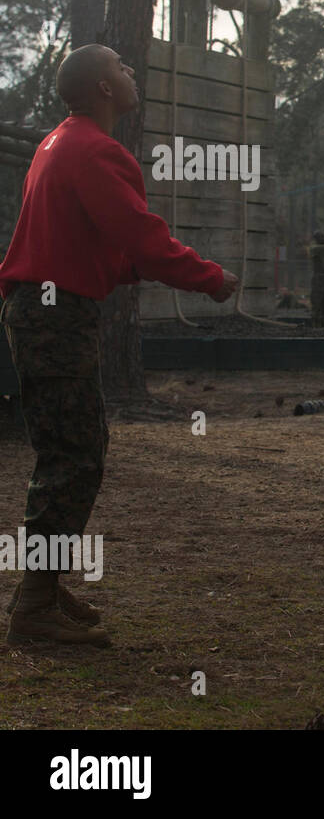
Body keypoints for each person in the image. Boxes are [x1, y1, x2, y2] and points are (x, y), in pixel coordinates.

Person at [0, 43, 238, 647]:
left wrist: (147, 268)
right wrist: (210, 278)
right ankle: (34, 608)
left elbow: (106, 247)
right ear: (104, 89)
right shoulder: (96, 150)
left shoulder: (59, 143)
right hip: (56, 318)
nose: (131, 72)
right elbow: (145, 239)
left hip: (42, 310)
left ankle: (43, 585)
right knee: (74, 454)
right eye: (121, 66)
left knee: (69, 446)